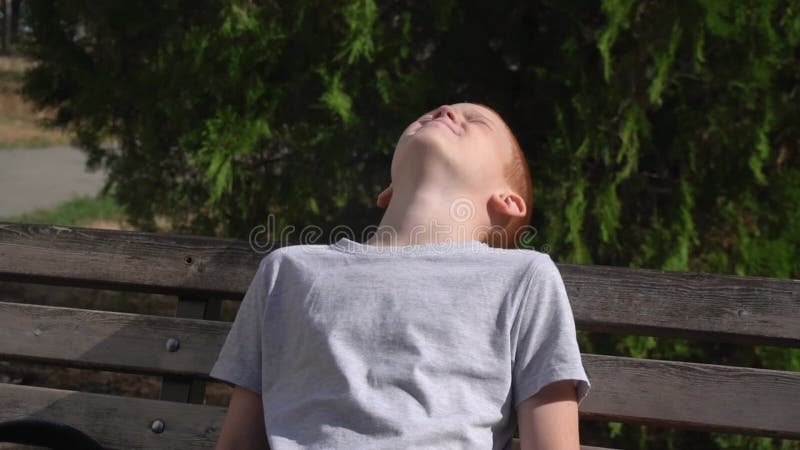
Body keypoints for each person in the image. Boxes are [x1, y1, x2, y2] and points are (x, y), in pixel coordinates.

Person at [211, 103, 591, 450]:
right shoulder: (287, 270)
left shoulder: (523, 278)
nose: (444, 110)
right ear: (388, 191)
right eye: (428, 114)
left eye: (476, 120)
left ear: (507, 200)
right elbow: (240, 441)